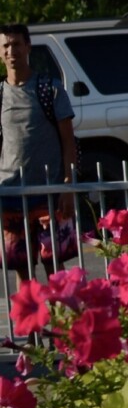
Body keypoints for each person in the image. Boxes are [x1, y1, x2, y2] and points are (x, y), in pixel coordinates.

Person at [0, 24, 76, 281]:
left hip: (48, 193)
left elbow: (68, 141)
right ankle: (30, 323)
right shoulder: (0, 94)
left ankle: (64, 321)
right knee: (24, 273)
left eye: (17, 44)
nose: (12, 51)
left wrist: (67, 185)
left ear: (28, 46)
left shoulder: (49, 88)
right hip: (10, 194)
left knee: (54, 266)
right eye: (6, 46)